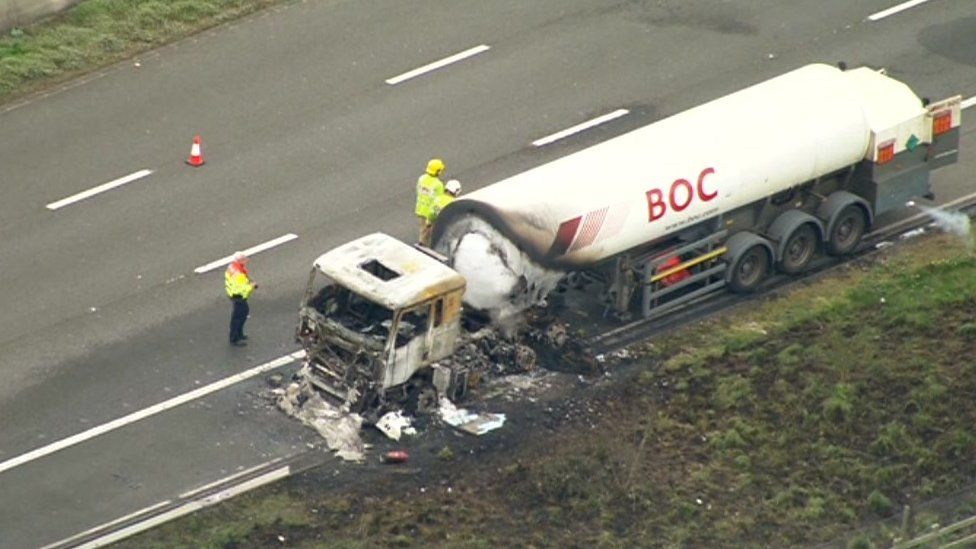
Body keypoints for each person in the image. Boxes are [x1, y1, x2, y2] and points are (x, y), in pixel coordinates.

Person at [225, 251, 257, 346]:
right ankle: (234, 338)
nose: (247, 261)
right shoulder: (239, 275)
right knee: (239, 317)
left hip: (233, 294)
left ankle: (239, 334)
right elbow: (242, 288)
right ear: (240, 261)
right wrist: (252, 285)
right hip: (238, 296)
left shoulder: (232, 267)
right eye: (244, 259)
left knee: (240, 315)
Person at [415, 158, 446, 246]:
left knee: (423, 230)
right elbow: (439, 200)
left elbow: (418, 190)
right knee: (430, 232)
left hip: (420, 208)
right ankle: (425, 248)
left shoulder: (421, 178)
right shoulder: (438, 184)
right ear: (438, 171)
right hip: (430, 212)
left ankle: (422, 243)